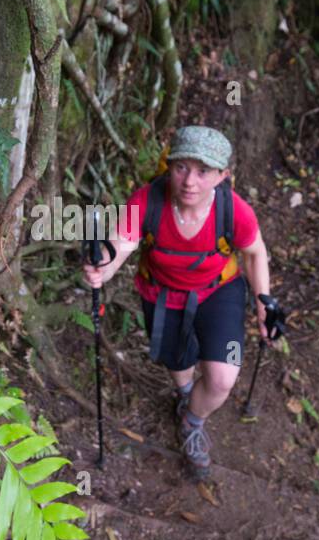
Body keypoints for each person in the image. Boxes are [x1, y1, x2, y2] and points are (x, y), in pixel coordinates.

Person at [82, 125, 273, 481]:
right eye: (182, 167)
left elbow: (255, 252)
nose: (190, 181)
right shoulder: (148, 201)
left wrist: (263, 302)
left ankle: (191, 421)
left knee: (222, 378)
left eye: (203, 171)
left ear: (222, 175)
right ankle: (185, 393)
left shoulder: (235, 210)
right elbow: (120, 244)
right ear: (169, 165)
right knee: (177, 361)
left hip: (220, 291)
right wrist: (101, 270)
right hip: (163, 292)